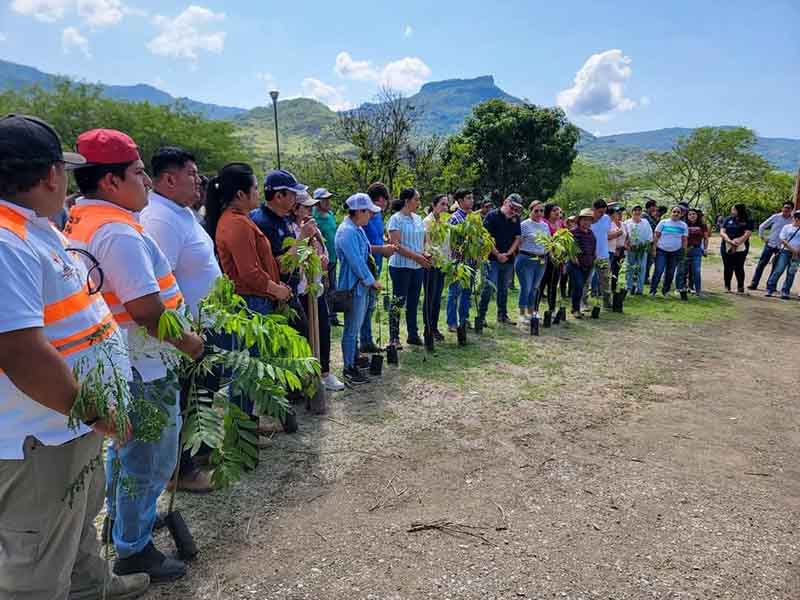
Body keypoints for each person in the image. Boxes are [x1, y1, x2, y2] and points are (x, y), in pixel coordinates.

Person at [0, 116, 151, 600]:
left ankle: (91, 586)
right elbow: (20, 354)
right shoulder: (6, 243)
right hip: (40, 435)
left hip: (69, 424)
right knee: (36, 559)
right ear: (50, 174)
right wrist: (93, 409)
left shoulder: (36, 229)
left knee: (80, 517)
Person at [64, 128, 204, 582]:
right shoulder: (117, 232)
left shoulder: (84, 220)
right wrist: (190, 343)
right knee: (150, 457)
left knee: (125, 451)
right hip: (144, 363)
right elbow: (146, 309)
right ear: (110, 181)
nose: (146, 182)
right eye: (140, 173)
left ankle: (125, 524)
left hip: (122, 362)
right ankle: (133, 547)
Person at [141, 147, 221, 494]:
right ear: (169, 179)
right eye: (192, 173)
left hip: (204, 325)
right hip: (185, 331)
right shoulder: (159, 219)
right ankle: (181, 469)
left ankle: (199, 449)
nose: (199, 180)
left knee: (202, 393)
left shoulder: (182, 213)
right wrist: (184, 332)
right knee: (186, 397)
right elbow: (161, 281)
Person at [291, 191, 345, 391]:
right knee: (303, 334)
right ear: (294, 208)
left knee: (323, 328)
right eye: (305, 207)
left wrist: (322, 259)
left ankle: (325, 372)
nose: (309, 210)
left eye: (310, 207)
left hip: (315, 288)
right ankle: (306, 377)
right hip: (299, 291)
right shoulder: (291, 229)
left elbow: (324, 253)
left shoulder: (313, 228)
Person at [335, 193, 382, 385]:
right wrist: (371, 281)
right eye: (369, 212)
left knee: (355, 325)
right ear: (359, 211)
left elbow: (366, 253)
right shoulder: (347, 232)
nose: (371, 215)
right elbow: (356, 262)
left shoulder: (356, 228)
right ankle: (348, 367)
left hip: (360, 287)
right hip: (353, 287)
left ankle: (354, 357)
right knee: (351, 329)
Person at [387, 188, 430, 347]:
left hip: (417, 267)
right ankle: (394, 337)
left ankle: (413, 334)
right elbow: (396, 245)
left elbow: (422, 240)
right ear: (407, 201)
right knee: (398, 301)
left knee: (413, 302)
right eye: (416, 199)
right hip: (400, 266)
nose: (418, 202)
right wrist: (417, 257)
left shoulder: (418, 218)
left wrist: (425, 253)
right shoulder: (395, 219)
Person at [359, 182, 395, 354]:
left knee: (371, 304)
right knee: (364, 305)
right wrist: (382, 249)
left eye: (383, 202)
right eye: (378, 202)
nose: (381, 205)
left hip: (378, 264)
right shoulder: (363, 220)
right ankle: (364, 339)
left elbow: (378, 238)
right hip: (366, 266)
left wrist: (385, 243)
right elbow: (362, 246)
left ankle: (367, 339)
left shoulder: (378, 217)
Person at [476, 194, 522, 328]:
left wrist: (508, 253)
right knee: (488, 287)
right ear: (505, 202)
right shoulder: (492, 216)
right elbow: (486, 237)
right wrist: (497, 254)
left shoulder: (516, 218)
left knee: (503, 288)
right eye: (512, 207)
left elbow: (517, 238)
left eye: (516, 209)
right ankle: (481, 316)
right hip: (492, 258)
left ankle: (502, 315)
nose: (513, 211)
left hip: (508, 259)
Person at [515, 200, 550, 326]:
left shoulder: (545, 225)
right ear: (530, 211)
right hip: (526, 258)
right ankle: (522, 313)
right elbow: (518, 243)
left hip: (541, 259)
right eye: (536, 210)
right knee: (526, 287)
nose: (539, 213)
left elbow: (548, 242)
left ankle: (531, 311)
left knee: (535, 288)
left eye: (541, 211)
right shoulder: (524, 225)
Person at [748, 201, 795, 290]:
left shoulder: (793, 220)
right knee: (761, 265)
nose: (786, 209)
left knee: (776, 268)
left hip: (782, 248)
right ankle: (754, 283)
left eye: (788, 208)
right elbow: (762, 226)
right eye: (785, 207)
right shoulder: (775, 217)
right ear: (782, 208)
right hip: (770, 245)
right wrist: (762, 237)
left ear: (792, 209)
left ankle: (770, 286)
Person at [445, 188, 475, 332]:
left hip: (471, 261)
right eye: (469, 198)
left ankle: (464, 319)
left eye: (472, 198)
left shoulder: (473, 218)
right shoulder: (455, 218)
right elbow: (451, 242)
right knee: (454, 292)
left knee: (467, 292)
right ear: (461, 201)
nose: (472, 200)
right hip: (458, 262)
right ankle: (452, 322)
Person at [312, 187, 341, 326]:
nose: (328, 201)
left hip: (333, 257)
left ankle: (333, 315)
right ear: (317, 202)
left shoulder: (330, 214)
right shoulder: (313, 217)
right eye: (325, 199)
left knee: (332, 287)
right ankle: (325, 316)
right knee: (324, 286)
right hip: (321, 259)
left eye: (329, 198)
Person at [422, 193, 449, 341]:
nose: (445, 207)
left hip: (443, 264)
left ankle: (434, 327)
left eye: (447, 205)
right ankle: (428, 328)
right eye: (442, 204)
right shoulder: (427, 222)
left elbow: (447, 244)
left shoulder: (445, 222)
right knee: (430, 297)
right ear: (434, 205)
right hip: (430, 264)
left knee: (437, 297)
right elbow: (427, 243)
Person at [588, 199, 621, 309]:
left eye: (604, 211)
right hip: (589, 255)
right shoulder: (587, 220)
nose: (602, 214)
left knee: (606, 280)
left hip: (603, 254)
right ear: (594, 209)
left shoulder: (606, 219)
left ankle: (607, 303)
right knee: (586, 280)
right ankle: (583, 302)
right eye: (600, 212)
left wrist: (616, 234)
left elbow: (605, 234)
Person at [649, 206, 689, 296]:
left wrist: (684, 252)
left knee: (670, 273)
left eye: (678, 212)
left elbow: (684, 240)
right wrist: (654, 249)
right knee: (658, 270)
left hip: (675, 252)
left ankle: (665, 291)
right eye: (674, 211)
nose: (676, 214)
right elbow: (656, 236)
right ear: (671, 212)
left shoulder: (683, 225)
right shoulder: (663, 222)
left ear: (681, 214)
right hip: (661, 251)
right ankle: (653, 290)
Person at [568, 209, 597, 318]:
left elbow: (593, 247)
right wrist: (574, 258)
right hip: (575, 265)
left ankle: (575, 307)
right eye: (584, 220)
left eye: (589, 220)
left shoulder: (591, 233)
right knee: (578, 286)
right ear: (579, 221)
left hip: (588, 264)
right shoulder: (573, 233)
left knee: (582, 286)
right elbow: (570, 248)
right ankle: (575, 309)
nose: (586, 222)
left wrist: (594, 258)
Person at [719, 203, 754, 293]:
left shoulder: (748, 220)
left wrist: (738, 241)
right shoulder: (728, 219)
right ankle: (727, 286)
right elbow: (722, 232)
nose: (732, 211)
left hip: (741, 246)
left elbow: (747, 233)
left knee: (739, 266)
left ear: (739, 210)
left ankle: (740, 286)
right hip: (727, 245)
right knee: (728, 266)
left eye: (734, 209)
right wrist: (729, 241)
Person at [765, 210, 800, 299]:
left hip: (797, 254)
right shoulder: (787, 227)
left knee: (791, 272)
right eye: (798, 218)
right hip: (785, 251)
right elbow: (782, 239)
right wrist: (792, 249)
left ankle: (785, 291)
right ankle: (770, 288)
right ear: (795, 218)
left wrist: (797, 251)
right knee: (779, 270)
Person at [540, 203, 567, 313]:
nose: (557, 213)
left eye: (559, 211)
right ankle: (535, 309)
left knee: (553, 283)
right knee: (542, 283)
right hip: (545, 257)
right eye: (555, 210)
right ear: (548, 212)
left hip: (557, 259)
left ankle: (552, 309)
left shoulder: (561, 224)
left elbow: (566, 240)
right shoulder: (543, 223)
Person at [676, 208, 709, 297]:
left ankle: (698, 291)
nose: (692, 216)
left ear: (697, 215)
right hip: (685, 250)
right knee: (682, 270)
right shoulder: (683, 224)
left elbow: (706, 238)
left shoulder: (702, 225)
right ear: (687, 216)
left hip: (697, 250)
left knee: (696, 270)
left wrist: (705, 249)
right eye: (690, 214)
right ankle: (679, 288)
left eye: (694, 214)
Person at [623, 205, 653, 294]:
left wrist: (646, 245)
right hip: (631, 249)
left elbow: (650, 235)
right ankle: (629, 287)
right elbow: (625, 236)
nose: (637, 212)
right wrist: (628, 245)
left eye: (639, 210)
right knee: (630, 268)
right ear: (632, 212)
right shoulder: (627, 222)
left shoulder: (645, 222)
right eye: (635, 210)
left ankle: (639, 289)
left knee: (642, 268)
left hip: (642, 249)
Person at [608, 207, 627, 292]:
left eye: (621, 213)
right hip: (613, 249)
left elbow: (627, 235)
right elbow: (609, 237)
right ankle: (600, 289)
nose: (620, 215)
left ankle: (613, 287)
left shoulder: (623, 224)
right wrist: (616, 248)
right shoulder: (610, 224)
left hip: (622, 250)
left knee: (617, 269)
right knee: (608, 269)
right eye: (618, 213)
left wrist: (626, 244)